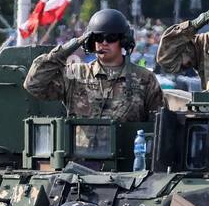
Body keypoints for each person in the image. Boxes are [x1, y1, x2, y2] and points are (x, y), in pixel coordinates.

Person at [23, 9, 163, 123]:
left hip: (126, 150)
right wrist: (66, 49)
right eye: (98, 38)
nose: (104, 43)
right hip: (80, 150)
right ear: (91, 41)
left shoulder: (145, 79)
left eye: (111, 37)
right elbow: (33, 85)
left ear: (123, 40)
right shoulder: (75, 74)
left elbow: (159, 124)